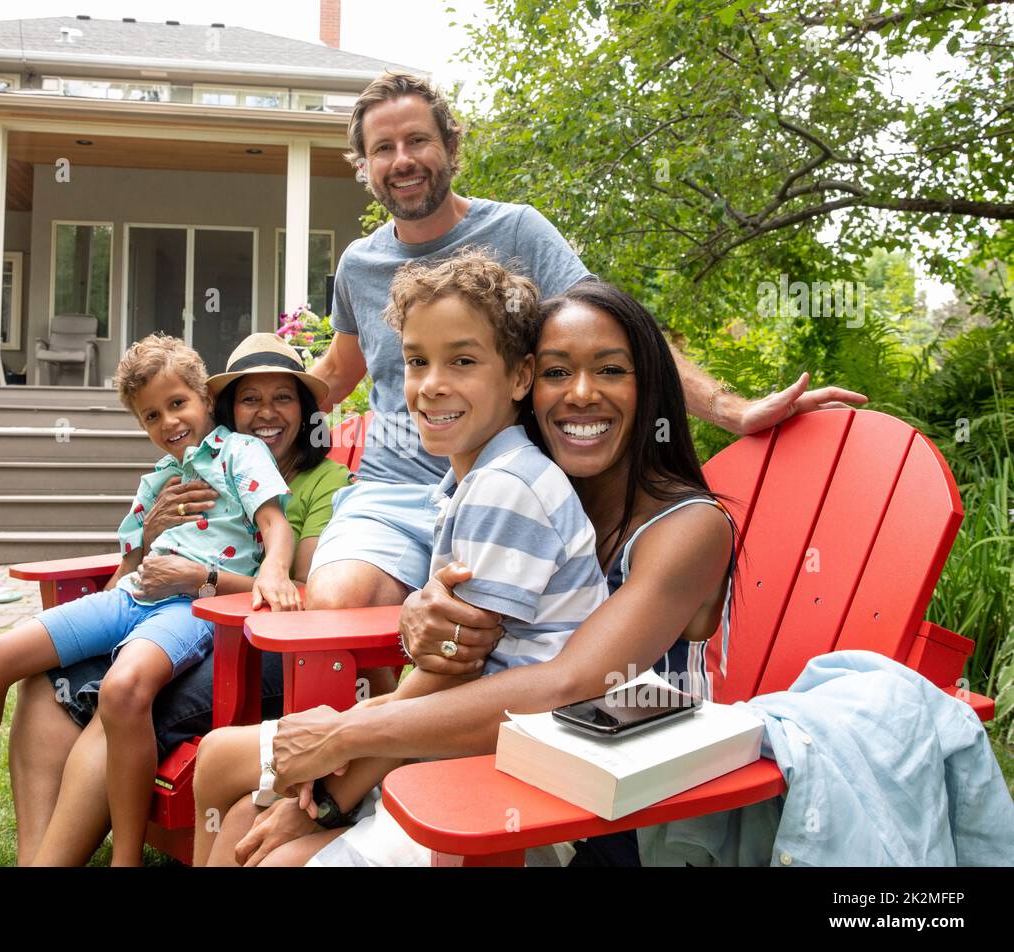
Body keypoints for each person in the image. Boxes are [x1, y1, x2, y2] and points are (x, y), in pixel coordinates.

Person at [304, 70, 866, 619]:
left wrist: (733, 411)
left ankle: (409, 695)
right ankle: (378, 697)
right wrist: (239, 423)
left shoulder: (518, 232)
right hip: (396, 493)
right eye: (383, 148)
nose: (402, 160)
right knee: (334, 603)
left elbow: (611, 327)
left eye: (418, 140)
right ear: (363, 166)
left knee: (480, 626)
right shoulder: (359, 265)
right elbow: (342, 370)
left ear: (451, 147)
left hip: (508, 488)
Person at [213, 280, 741, 866]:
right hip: (501, 756)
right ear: (527, 383)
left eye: (611, 371)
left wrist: (346, 740)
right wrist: (418, 616)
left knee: (281, 855)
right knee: (242, 822)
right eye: (558, 373)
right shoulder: (530, 493)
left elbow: (567, 685)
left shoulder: (687, 526)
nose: (581, 394)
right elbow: (458, 654)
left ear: (652, 388)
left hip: (618, 803)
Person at [0, 334, 302, 868]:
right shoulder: (157, 480)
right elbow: (121, 579)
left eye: (178, 404)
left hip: (192, 609)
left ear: (207, 400)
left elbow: (275, 525)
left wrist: (274, 572)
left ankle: (125, 859)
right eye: (151, 416)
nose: (168, 423)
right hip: (133, 599)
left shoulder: (240, 451)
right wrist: (143, 541)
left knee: (124, 685)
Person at [191, 250, 612, 867]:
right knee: (231, 797)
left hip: (510, 776)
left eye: (462, 361)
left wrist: (331, 789)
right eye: (417, 361)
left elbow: (454, 673)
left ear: (520, 378)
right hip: (444, 739)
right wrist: (342, 744)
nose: (431, 383)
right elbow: (441, 670)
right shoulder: (469, 484)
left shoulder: (509, 489)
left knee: (271, 850)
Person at [7, 333, 352, 866]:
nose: (267, 412)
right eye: (250, 399)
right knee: (43, 684)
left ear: (305, 410)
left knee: (117, 703)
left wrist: (203, 578)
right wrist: (148, 540)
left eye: (283, 398)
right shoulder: (199, 471)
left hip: (253, 647)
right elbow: (126, 581)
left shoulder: (322, 482)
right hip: (166, 622)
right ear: (225, 407)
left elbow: (302, 599)